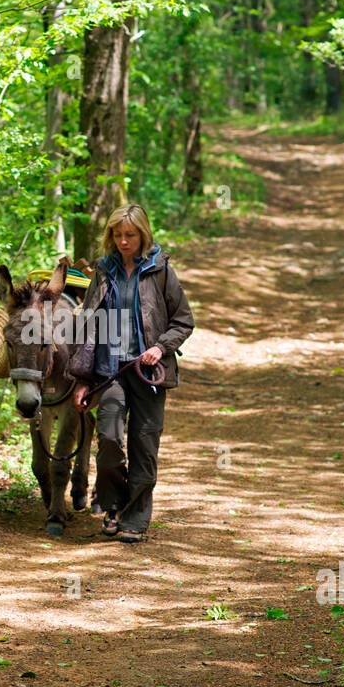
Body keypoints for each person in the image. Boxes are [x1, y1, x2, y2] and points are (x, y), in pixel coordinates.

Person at [68, 203, 194, 543]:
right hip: (110, 371)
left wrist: (160, 347)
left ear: (143, 234)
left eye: (131, 235)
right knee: (109, 439)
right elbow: (88, 326)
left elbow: (184, 320)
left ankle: (135, 518)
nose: (124, 241)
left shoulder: (160, 270)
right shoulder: (103, 270)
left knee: (144, 445)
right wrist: (82, 379)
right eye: (118, 235)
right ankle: (112, 504)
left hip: (148, 372)